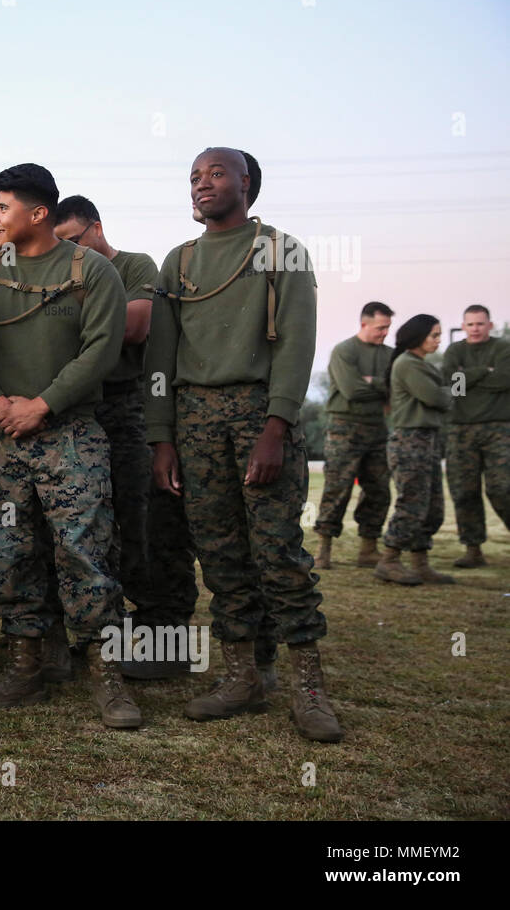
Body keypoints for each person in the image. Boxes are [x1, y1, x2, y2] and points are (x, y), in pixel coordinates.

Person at [144, 146, 343, 743]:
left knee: (277, 553)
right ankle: (241, 677)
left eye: (216, 174)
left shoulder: (280, 250)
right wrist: (161, 439)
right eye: (194, 178)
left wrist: (277, 428)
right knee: (221, 554)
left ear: (246, 182)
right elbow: (160, 358)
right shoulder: (177, 262)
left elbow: (297, 344)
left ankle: (308, 687)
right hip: (194, 419)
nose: (202, 185)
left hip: (259, 414)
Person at [0, 164, 140, 727]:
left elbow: (101, 350)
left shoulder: (93, 271)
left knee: (85, 550)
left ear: (37, 214)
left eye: (2, 206)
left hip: (70, 433)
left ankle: (106, 676)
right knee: (10, 552)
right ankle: (25, 664)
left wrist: (43, 405)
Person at [52, 195, 154, 679]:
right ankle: (83, 637)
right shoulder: (63, 269)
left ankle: (142, 633)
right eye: (61, 244)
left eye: (74, 240)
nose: (69, 251)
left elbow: (131, 328)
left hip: (124, 405)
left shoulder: (134, 265)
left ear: (96, 227)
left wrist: (73, 314)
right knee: (81, 527)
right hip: (74, 403)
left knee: (133, 523)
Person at [314, 302, 395, 568]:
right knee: (338, 487)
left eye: (387, 328)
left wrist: (373, 382)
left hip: (377, 428)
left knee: (379, 489)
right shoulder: (344, 351)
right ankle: (323, 550)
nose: (384, 333)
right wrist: (377, 386)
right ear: (364, 324)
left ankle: (368, 549)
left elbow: (396, 389)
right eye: (380, 327)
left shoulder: (392, 355)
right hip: (344, 427)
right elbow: (352, 390)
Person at [375, 315, 454, 585]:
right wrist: (448, 392)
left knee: (432, 505)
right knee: (412, 503)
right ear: (418, 336)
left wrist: (445, 392)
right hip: (411, 441)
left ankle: (420, 563)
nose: (438, 340)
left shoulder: (418, 364)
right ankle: (389, 560)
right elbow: (435, 397)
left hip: (426, 440)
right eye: (434, 335)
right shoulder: (408, 364)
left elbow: (441, 394)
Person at [443, 305, 510, 567]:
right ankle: (473, 549)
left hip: (500, 428)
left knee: (502, 488)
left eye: (480, 324)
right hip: (461, 428)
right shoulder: (455, 351)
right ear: (463, 326)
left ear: (490, 325)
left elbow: (505, 381)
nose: (475, 329)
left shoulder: (503, 348)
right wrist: (485, 371)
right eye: (470, 324)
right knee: (464, 490)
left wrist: (468, 376)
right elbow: (455, 386)